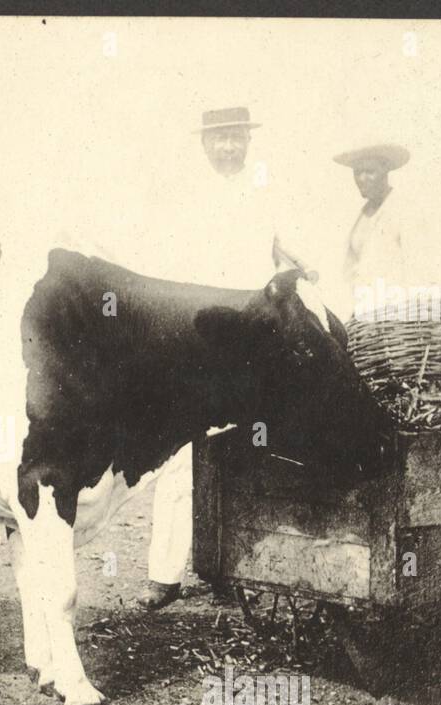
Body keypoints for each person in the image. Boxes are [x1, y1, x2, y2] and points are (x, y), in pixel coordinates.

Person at [138, 106, 305, 610]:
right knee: (179, 453)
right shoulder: (184, 199)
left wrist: (299, 270)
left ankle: (226, 570)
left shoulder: (265, 196)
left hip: (249, 339)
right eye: (220, 140)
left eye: (236, 139)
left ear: (247, 143)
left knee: (242, 449)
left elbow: (286, 255)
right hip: (196, 338)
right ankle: (163, 576)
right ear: (205, 144)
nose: (229, 148)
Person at [333, 142, 412, 307]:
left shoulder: (403, 210)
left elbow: (418, 270)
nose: (362, 179)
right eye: (357, 172)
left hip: (398, 313)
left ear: (385, 170)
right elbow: (348, 273)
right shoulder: (359, 219)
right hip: (363, 314)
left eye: (370, 171)